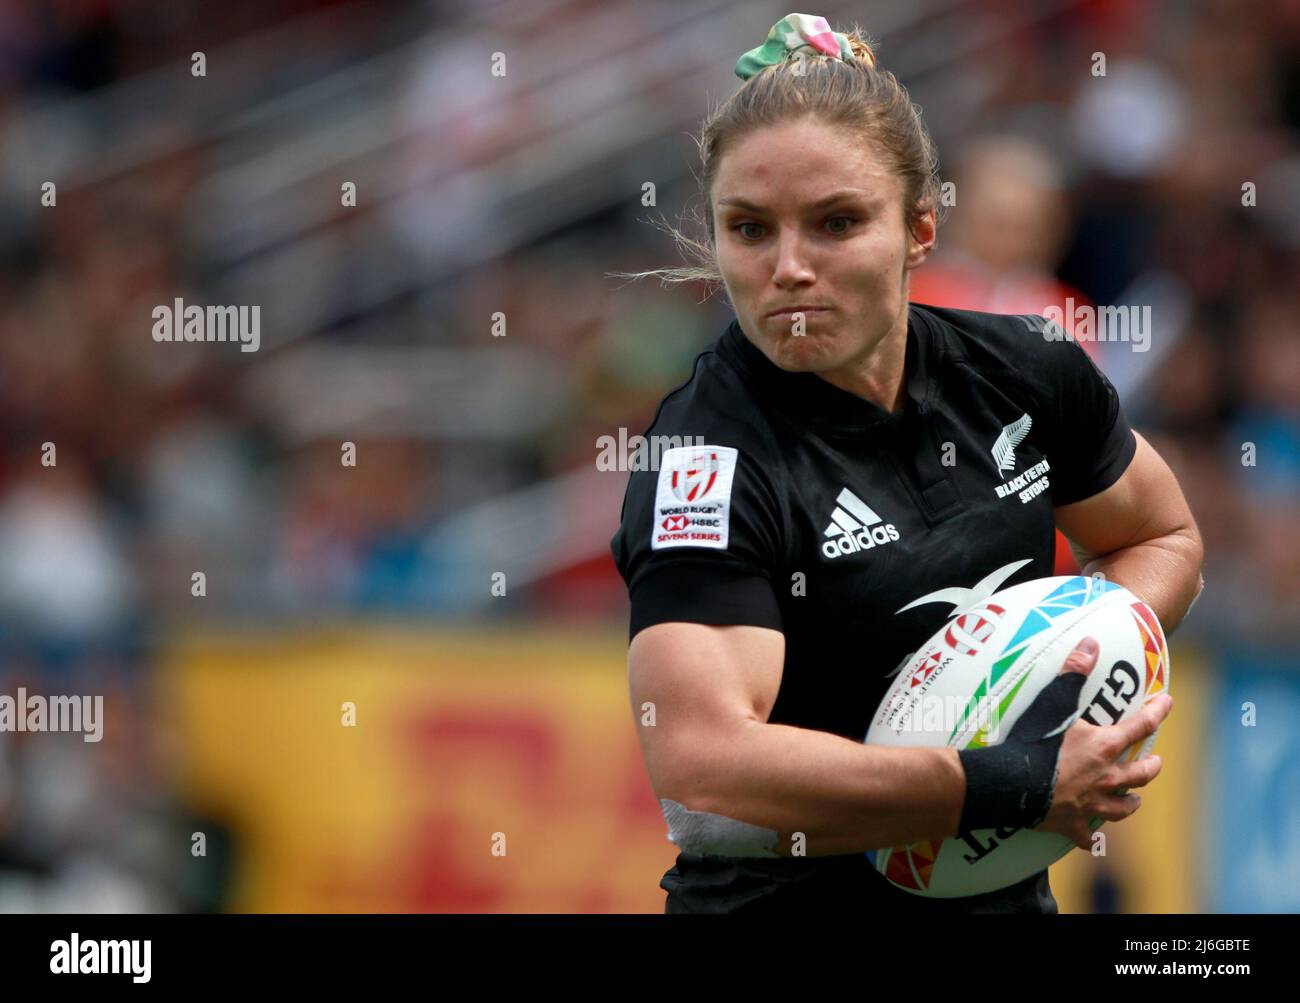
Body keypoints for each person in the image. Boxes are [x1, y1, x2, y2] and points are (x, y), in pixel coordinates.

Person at [608, 14, 1204, 914]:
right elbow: (704, 764)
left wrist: (1069, 662)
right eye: (750, 228)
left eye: (837, 222)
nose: (789, 268)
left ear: (920, 228)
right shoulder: (705, 462)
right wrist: (1006, 781)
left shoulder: (1025, 370)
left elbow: (1162, 533)